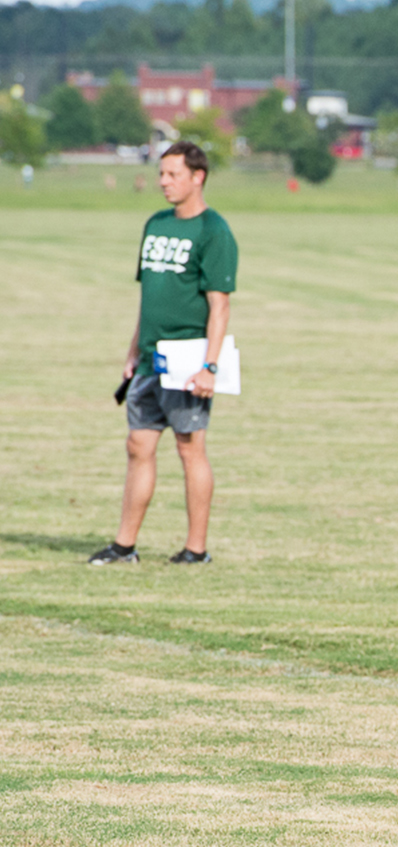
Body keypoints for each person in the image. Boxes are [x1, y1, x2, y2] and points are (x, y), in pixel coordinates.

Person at [89, 141, 237, 568]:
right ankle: (124, 546)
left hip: (188, 360)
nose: (163, 182)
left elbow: (220, 306)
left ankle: (196, 550)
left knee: (190, 448)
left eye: (173, 174)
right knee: (138, 445)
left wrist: (210, 366)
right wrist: (133, 349)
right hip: (150, 358)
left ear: (198, 176)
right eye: (161, 174)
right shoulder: (155, 224)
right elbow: (149, 296)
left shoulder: (214, 232)